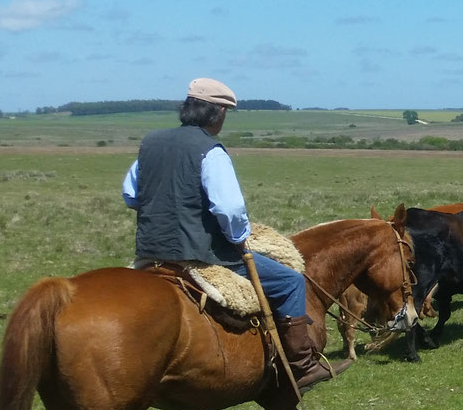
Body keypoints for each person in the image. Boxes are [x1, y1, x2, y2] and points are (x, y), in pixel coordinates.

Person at [122, 78, 349, 391]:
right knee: (290, 281)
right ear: (216, 114)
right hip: (201, 254)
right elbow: (228, 209)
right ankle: (302, 365)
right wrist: (239, 236)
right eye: (225, 112)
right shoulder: (210, 151)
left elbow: (131, 195)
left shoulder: (151, 144)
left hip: (150, 250)